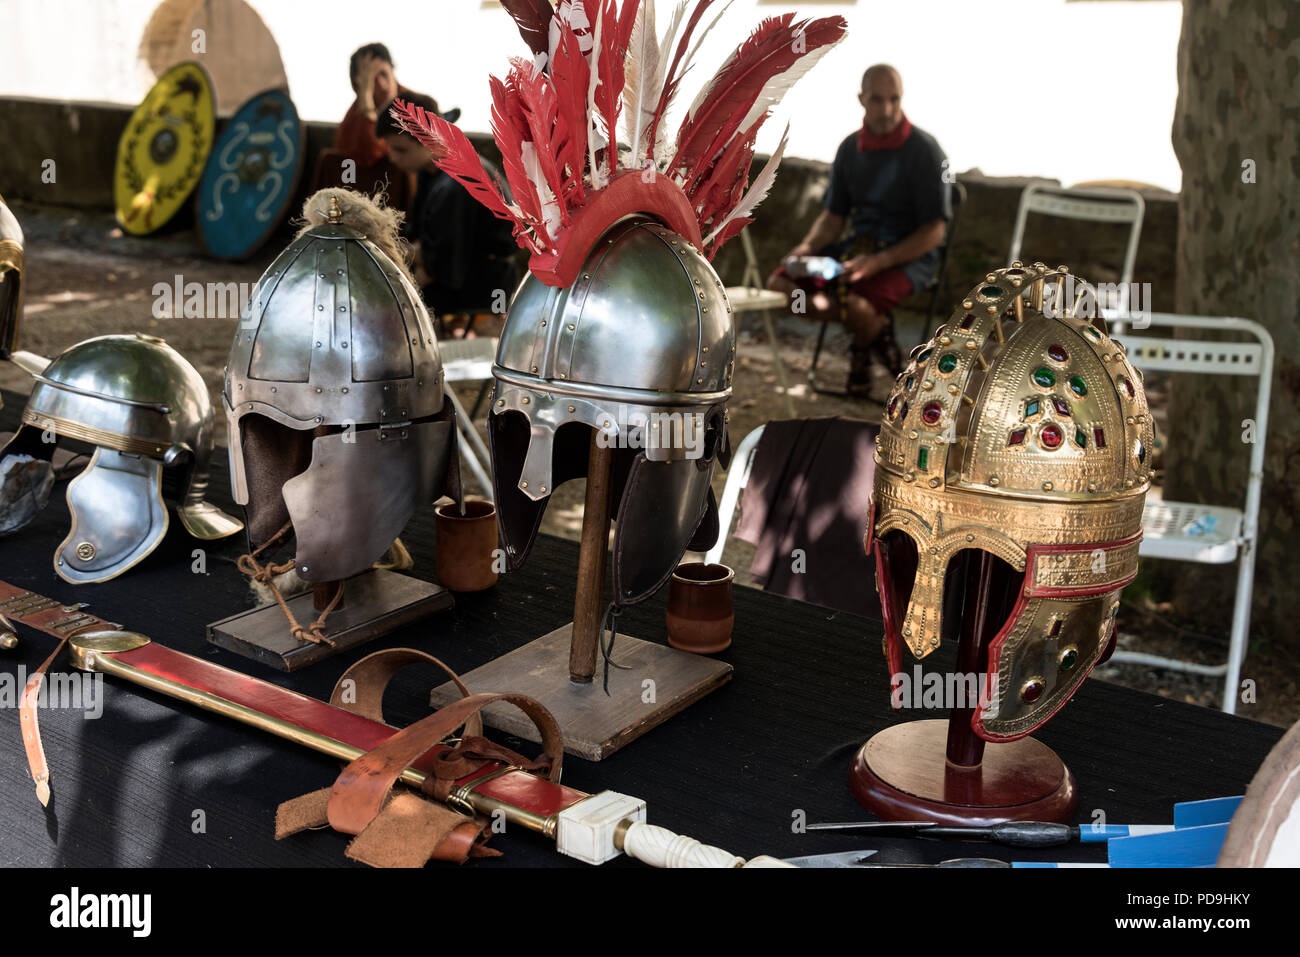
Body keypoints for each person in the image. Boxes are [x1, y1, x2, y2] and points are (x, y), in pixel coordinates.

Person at [769, 64, 951, 399]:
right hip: (856, 252)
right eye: (877, 100)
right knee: (781, 289)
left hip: (910, 258)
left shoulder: (926, 150)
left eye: (894, 99)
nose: (887, 110)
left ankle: (862, 343)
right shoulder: (849, 149)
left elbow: (934, 233)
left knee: (857, 304)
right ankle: (873, 330)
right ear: (861, 100)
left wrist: (879, 263)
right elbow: (834, 217)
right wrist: (806, 249)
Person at [375, 91, 520, 317]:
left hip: (484, 285)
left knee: (387, 306)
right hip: (459, 268)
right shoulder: (431, 169)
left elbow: (444, 266)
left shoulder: (457, 183)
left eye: (400, 150)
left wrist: (402, 289)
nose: (393, 158)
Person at [336, 43, 406, 167]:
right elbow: (370, 154)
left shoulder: (415, 105)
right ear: (357, 86)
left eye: (384, 74)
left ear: (393, 71)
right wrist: (366, 97)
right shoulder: (354, 116)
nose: (383, 86)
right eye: (372, 79)